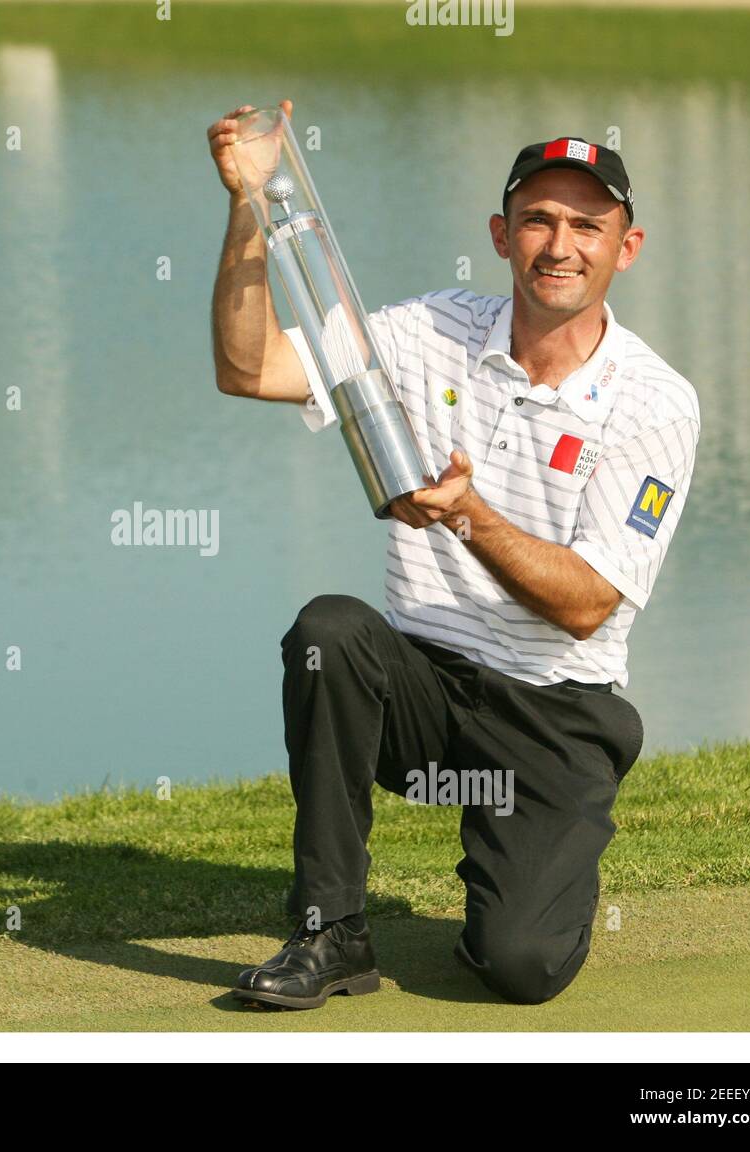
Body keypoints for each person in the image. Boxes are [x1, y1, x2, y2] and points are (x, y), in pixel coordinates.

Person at [207, 100, 700, 1009]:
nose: (561, 244)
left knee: (518, 966)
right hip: (426, 684)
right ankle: (332, 932)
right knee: (331, 632)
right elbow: (250, 368)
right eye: (539, 220)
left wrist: (467, 515)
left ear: (624, 249)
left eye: (587, 226)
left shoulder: (655, 404)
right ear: (501, 235)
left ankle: (527, 872)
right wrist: (247, 206)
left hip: (556, 715)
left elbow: (589, 603)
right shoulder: (425, 330)